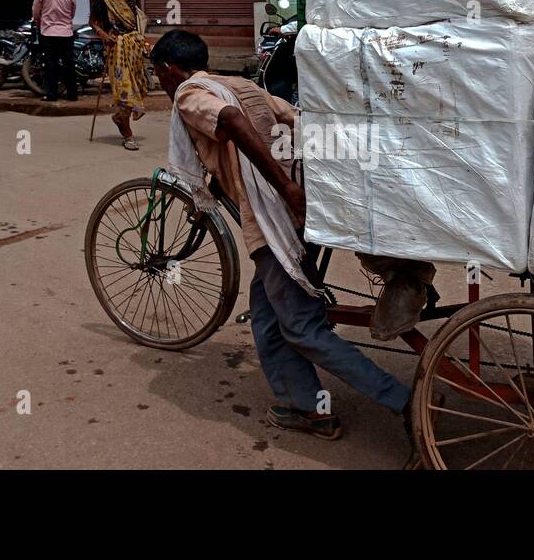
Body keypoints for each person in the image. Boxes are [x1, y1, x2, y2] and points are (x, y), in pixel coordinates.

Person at [153, 29, 412, 441]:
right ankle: (309, 408)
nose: (162, 86)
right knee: (266, 313)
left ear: (169, 70)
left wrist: (283, 187)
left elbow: (231, 120)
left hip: (275, 215)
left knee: (301, 328)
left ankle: (405, 401)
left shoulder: (189, 92)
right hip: (299, 208)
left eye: (159, 77)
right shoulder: (241, 84)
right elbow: (294, 117)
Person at [90, 0, 149, 150]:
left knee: (138, 86)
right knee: (125, 90)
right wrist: (104, 36)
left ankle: (119, 118)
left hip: (134, 46)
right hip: (117, 48)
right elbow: (93, 22)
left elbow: (136, 16)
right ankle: (127, 133)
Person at [31, 0, 77, 102]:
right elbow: (72, 12)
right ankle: (72, 95)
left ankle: (52, 94)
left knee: (51, 63)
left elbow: (36, 11)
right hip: (66, 33)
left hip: (49, 33)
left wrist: (39, 23)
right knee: (69, 64)